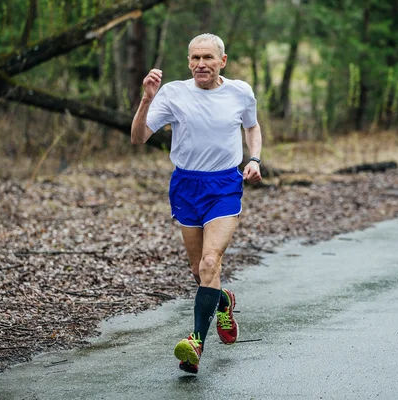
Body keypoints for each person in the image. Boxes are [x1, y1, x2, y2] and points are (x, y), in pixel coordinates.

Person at [130, 33, 263, 374]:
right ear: (188, 61)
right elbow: (139, 138)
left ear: (223, 61)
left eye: (207, 58)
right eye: (195, 58)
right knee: (199, 272)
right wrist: (147, 100)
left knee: (209, 261)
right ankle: (223, 301)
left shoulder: (240, 92)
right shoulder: (173, 93)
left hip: (223, 185)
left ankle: (195, 343)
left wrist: (255, 159)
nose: (200, 64)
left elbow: (252, 127)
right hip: (186, 185)